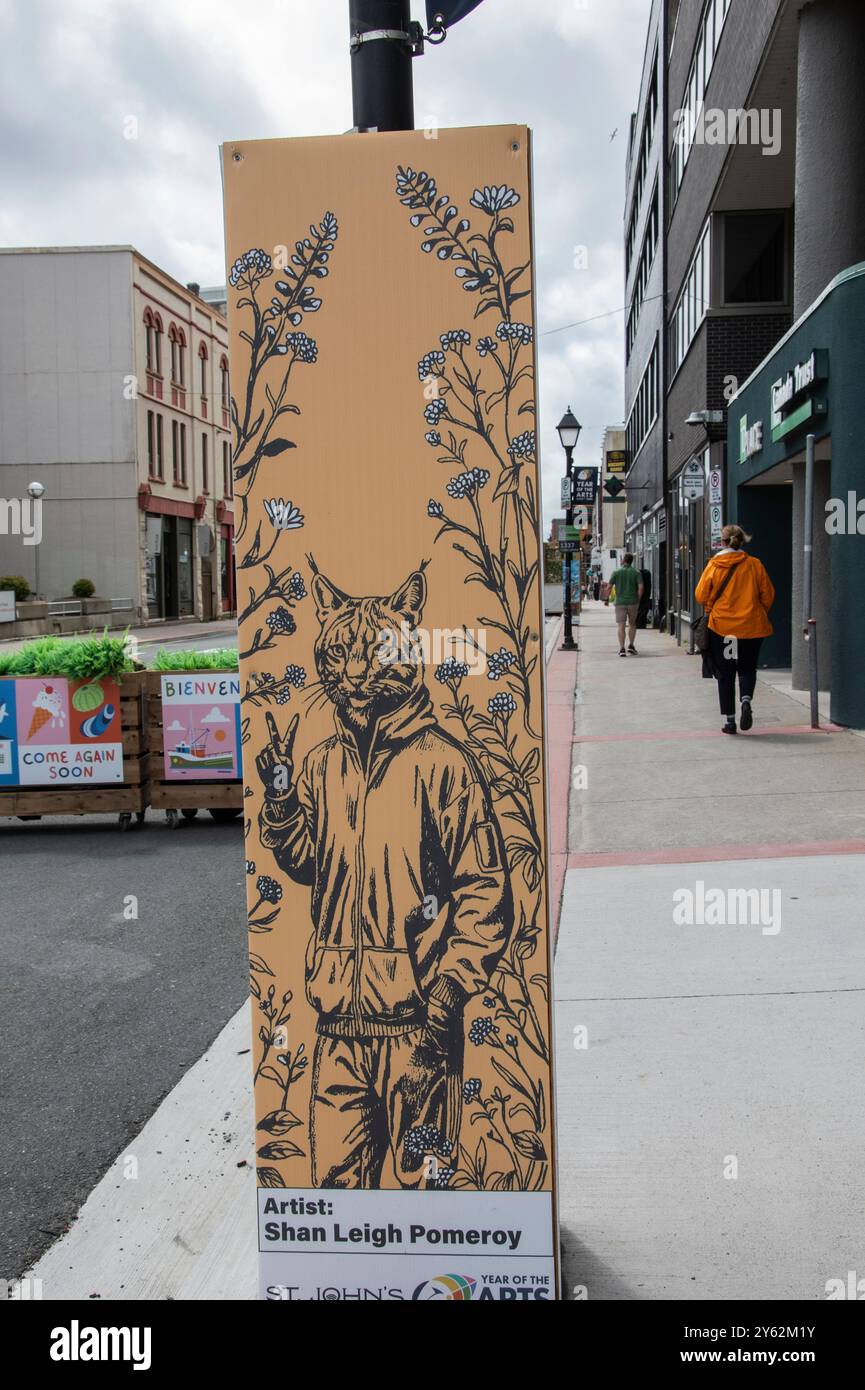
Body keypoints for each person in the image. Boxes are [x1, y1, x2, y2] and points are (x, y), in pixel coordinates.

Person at [695, 524, 775, 735]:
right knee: (748, 667)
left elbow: (700, 595)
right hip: (751, 627)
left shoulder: (715, 565)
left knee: (726, 672)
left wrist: (712, 606)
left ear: (722, 542)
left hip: (723, 628)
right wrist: (756, 611)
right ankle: (746, 700)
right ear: (742, 541)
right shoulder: (755, 565)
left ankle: (730, 721)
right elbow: (768, 594)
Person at [605, 553, 644, 656]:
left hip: (620, 602)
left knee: (621, 625)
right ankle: (631, 645)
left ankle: (622, 649)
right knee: (632, 624)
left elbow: (609, 587)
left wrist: (606, 599)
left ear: (623, 560)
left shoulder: (616, 572)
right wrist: (637, 599)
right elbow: (641, 588)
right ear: (631, 561)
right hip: (633, 602)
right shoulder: (636, 573)